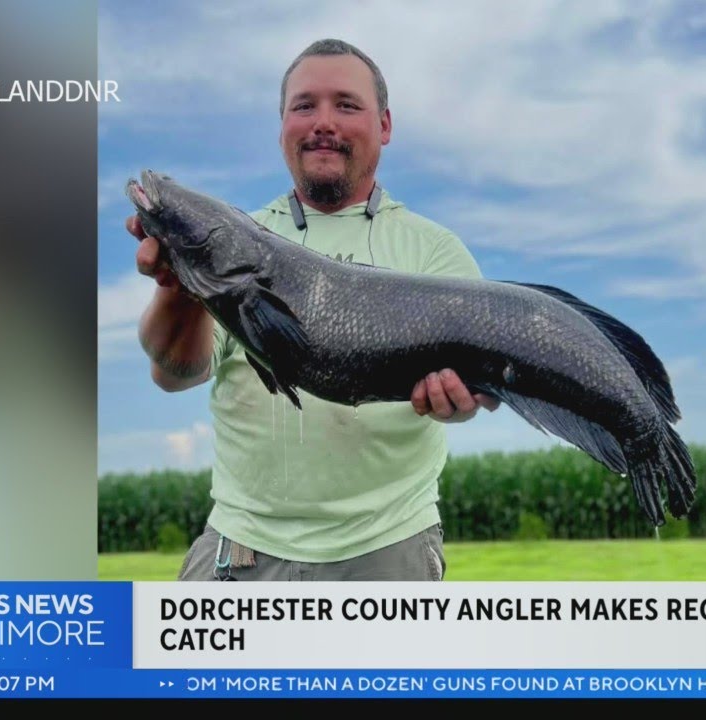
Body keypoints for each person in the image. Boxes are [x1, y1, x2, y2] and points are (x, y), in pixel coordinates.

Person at [126, 39, 498, 581]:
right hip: (242, 552)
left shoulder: (435, 252)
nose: (323, 121)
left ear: (385, 125)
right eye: (304, 106)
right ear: (282, 127)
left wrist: (461, 402)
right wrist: (179, 286)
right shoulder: (235, 242)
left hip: (388, 550)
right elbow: (175, 372)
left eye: (346, 104)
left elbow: (478, 388)